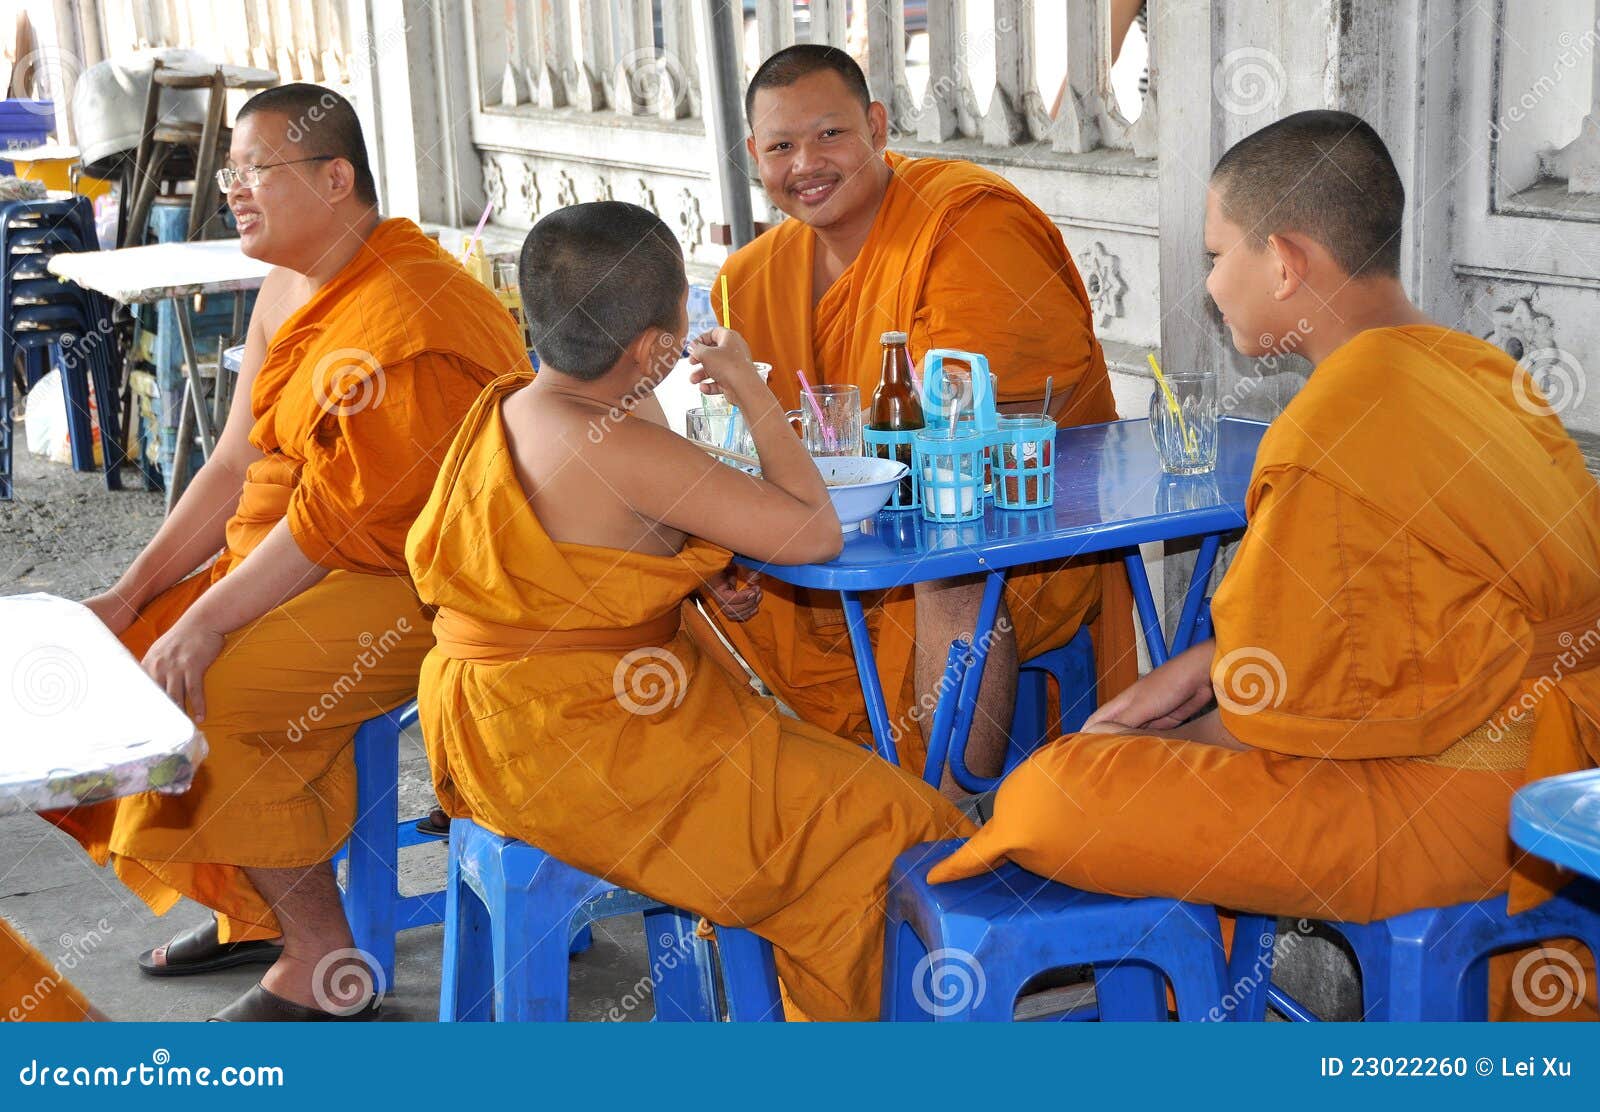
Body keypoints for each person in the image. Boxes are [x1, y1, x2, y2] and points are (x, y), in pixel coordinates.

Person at [928, 110, 1600, 1020]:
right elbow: (1439, 609)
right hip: (1567, 791)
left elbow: (1283, 723)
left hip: (1465, 807)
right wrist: (1209, 667)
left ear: (1284, 263)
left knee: (1053, 788)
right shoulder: (1480, 369)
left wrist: (1151, 748)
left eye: (1216, 255)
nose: (1212, 285)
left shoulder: (1327, 431)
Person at [407, 201, 971, 1021]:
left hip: (485, 725)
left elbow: (612, 549)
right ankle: (892, 1023)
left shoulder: (510, 406)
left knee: (823, 777)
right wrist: (749, 387)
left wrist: (696, 581)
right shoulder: (620, 441)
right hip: (584, 744)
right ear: (654, 346)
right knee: (895, 817)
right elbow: (813, 531)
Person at [45, 84, 529, 1021]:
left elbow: (343, 520)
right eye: (230, 172)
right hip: (293, 551)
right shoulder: (284, 286)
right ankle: (251, 908)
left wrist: (205, 619)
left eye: (254, 170)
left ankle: (319, 963)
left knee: (203, 694)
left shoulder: (413, 308)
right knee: (122, 653)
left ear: (334, 176)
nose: (233, 190)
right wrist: (130, 590)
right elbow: (235, 462)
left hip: (414, 579)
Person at [709, 45, 1136, 794]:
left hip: (1015, 531)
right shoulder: (752, 278)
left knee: (950, 568)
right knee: (668, 565)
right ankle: (773, 798)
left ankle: (942, 811)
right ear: (754, 156)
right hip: (833, 549)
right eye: (780, 146)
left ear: (876, 126)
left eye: (830, 135)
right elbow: (751, 445)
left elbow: (981, 422)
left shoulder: (966, 222)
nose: (806, 163)